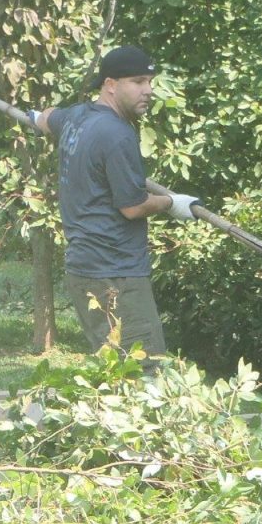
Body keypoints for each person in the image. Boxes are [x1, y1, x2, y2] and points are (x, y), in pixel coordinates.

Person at [28, 45, 198, 364]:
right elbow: (132, 207)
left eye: (149, 81)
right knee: (144, 371)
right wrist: (172, 203)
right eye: (137, 81)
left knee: (116, 370)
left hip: (84, 269)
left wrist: (36, 118)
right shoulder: (117, 134)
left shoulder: (77, 117)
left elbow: (49, 118)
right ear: (110, 84)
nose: (148, 90)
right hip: (116, 276)